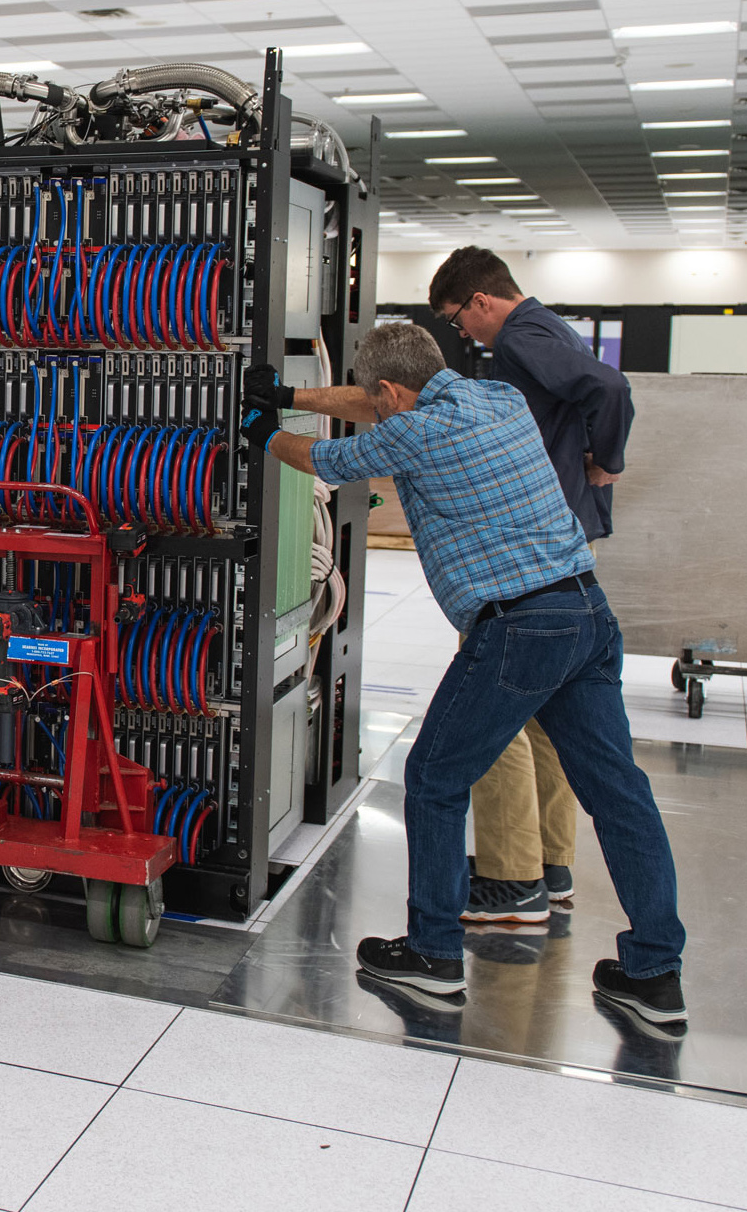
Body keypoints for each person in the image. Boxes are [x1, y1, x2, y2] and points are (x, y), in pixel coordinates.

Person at [241, 324, 686, 1025]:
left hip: (518, 629)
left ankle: (435, 956)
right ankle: (656, 973)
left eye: (378, 398)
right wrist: (292, 392)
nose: (374, 405)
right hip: (586, 612)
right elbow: (371, 403)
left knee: (435, 777)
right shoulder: (498, 397)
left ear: (392, 391)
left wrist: (263, 429)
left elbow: (324, 455)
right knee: (621, 793)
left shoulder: (410, 435)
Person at [428, 247, 635, 926]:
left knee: (493, 714)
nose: (466, 335)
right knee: (546, 714)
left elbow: (610, 388)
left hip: (518, 555)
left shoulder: (522, 335)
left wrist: (606, 463)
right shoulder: (547, 328)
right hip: (558, 552)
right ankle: (548, 863)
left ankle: (508, 877)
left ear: (482, 302)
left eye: (461, 321)